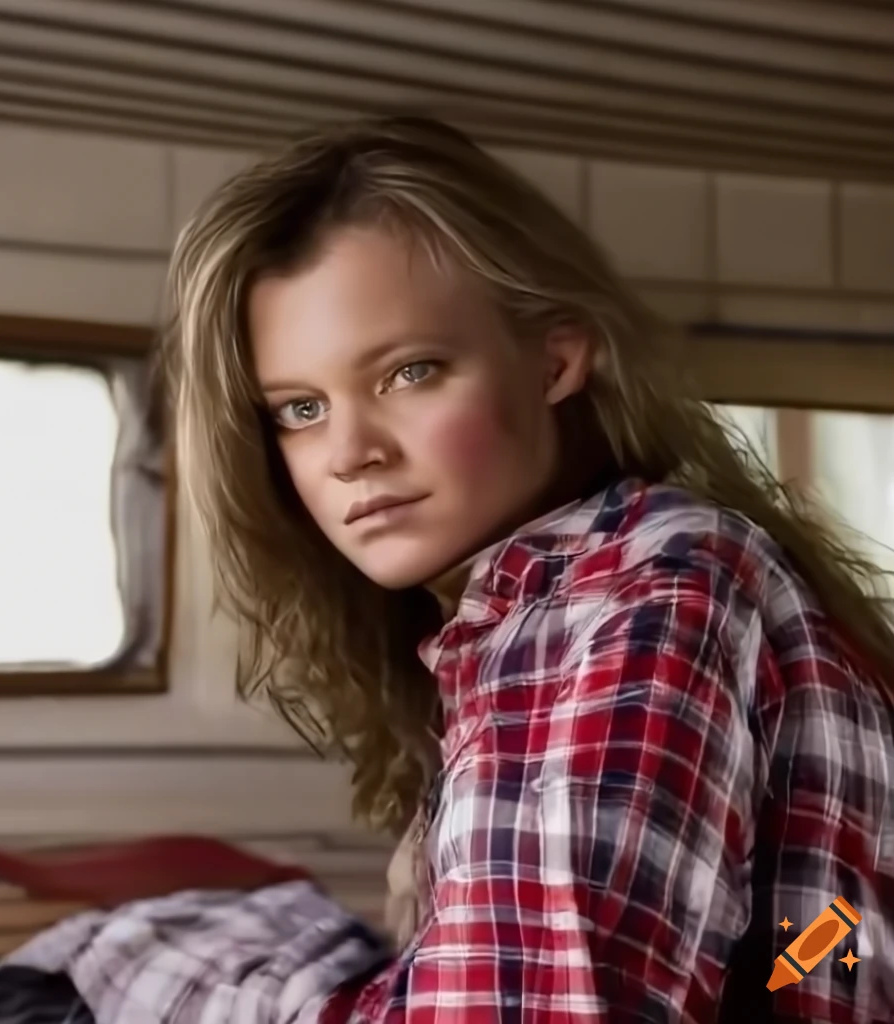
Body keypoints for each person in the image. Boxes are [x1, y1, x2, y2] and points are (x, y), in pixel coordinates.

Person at [165, 115, 894, 1022]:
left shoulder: (640, 601)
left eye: (409, 372)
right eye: (301, 408)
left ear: (554, 359)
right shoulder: (610, 585)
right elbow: (820, 939)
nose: (348, 452)